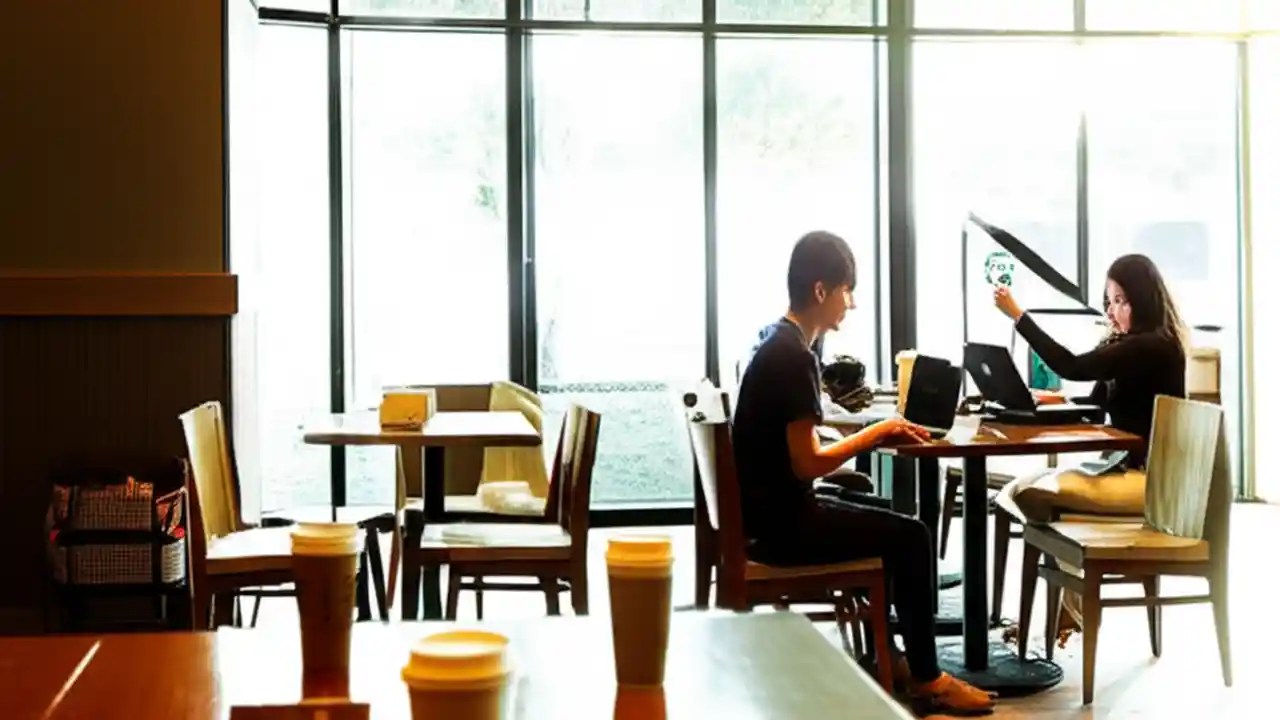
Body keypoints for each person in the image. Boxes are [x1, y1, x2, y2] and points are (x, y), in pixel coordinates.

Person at [734, 231, 995, 714]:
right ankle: (928, 678)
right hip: (781, 530)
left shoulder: (777, 342)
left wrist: (865, 434)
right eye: (845, 290)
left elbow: (794, 444)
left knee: (880, 511)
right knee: (913, 536)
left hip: (766, 514)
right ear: (820, 291)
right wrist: (876, 432)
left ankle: (890, 653)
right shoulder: (793, 357)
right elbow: (806, 462)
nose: (850, 304)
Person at [992, 253, 1188, 633]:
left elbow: (1071, 367)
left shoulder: (1152, 346)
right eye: (1109, 301)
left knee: (1032, 493)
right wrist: (1055, 403)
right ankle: (1069, 609)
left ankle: (1069, 611)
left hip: (1153, 482)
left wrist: (1019, 316)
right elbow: (1097, 403)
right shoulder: (1136, 344)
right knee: (1023, 491)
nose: (1112, 311)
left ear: (1144, 301)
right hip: (1123, 469)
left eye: (1121, 301)